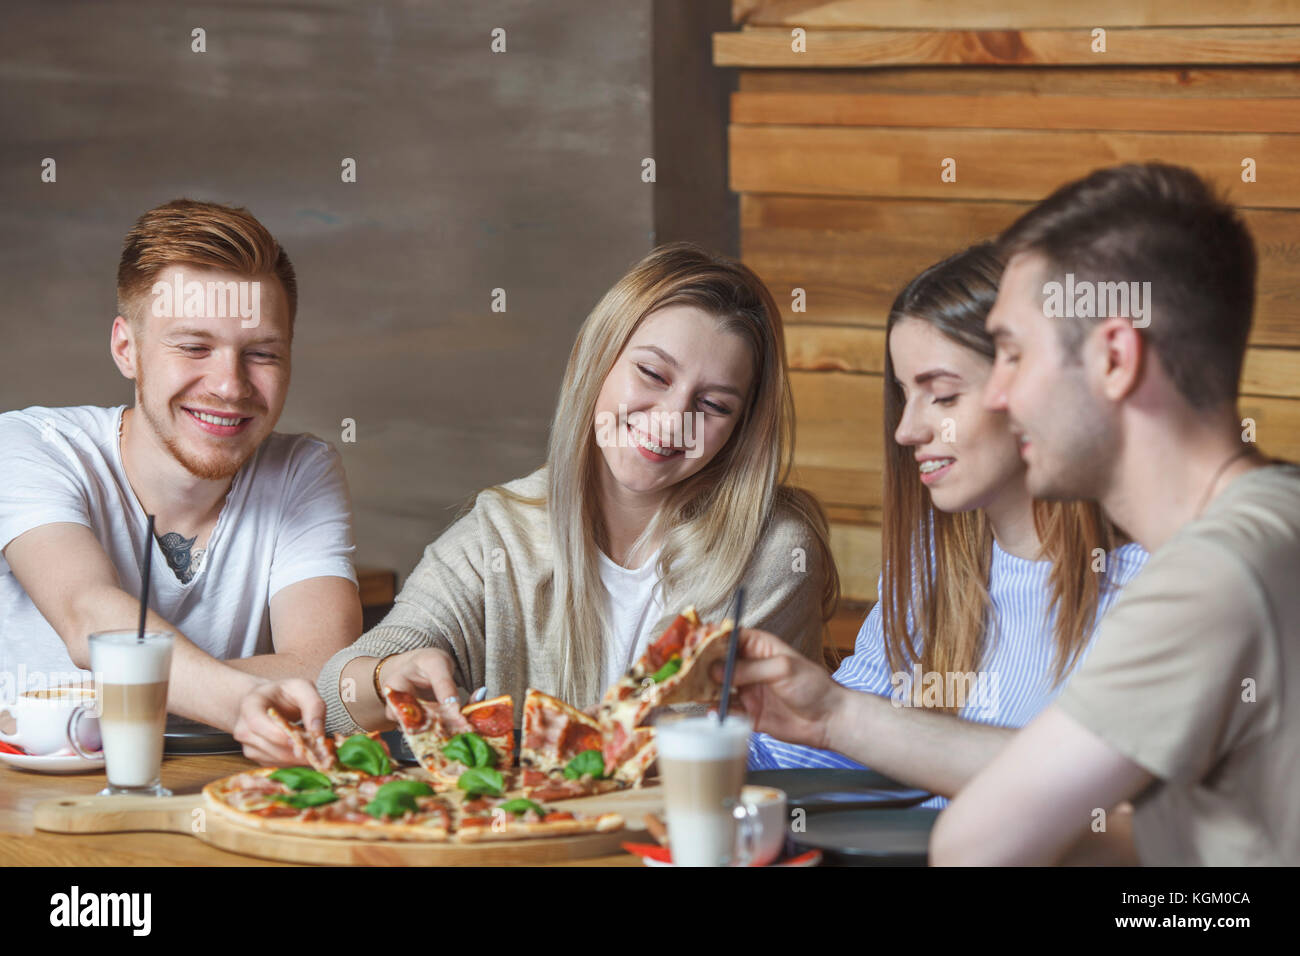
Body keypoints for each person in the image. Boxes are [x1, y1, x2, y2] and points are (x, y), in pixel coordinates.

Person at [235, 242, 839, 764]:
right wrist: (384, 677)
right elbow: (347, 687)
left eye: (713, 406)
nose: (672, 420)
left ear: (742, 429)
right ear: (594, 360)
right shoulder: (503, 530)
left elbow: (743, 756)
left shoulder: (772, 551)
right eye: (653, 375)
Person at [928, 162, 1300, 865]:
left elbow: (973, 849)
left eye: (1010, 353)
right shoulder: (1276, 520)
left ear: (1114, 358)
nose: (998, 395)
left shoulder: (1213, 573)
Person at [738, 242, 1146, 806]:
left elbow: (1117, 802)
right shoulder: (932, 559)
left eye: (944, 396)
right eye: (905, 396)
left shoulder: (1154, 582)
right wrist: (707, 731)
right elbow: (851, 746)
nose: (906, 430)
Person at [0, 199, 362, 732]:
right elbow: (90, 616)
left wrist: (105, 697)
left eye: (262, 353)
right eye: (194, 347)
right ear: (127, 349)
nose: (230, 386)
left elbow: (327, 669)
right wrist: (244, 700)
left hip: (219, 791)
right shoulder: (29, 443)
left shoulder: (301, 469)